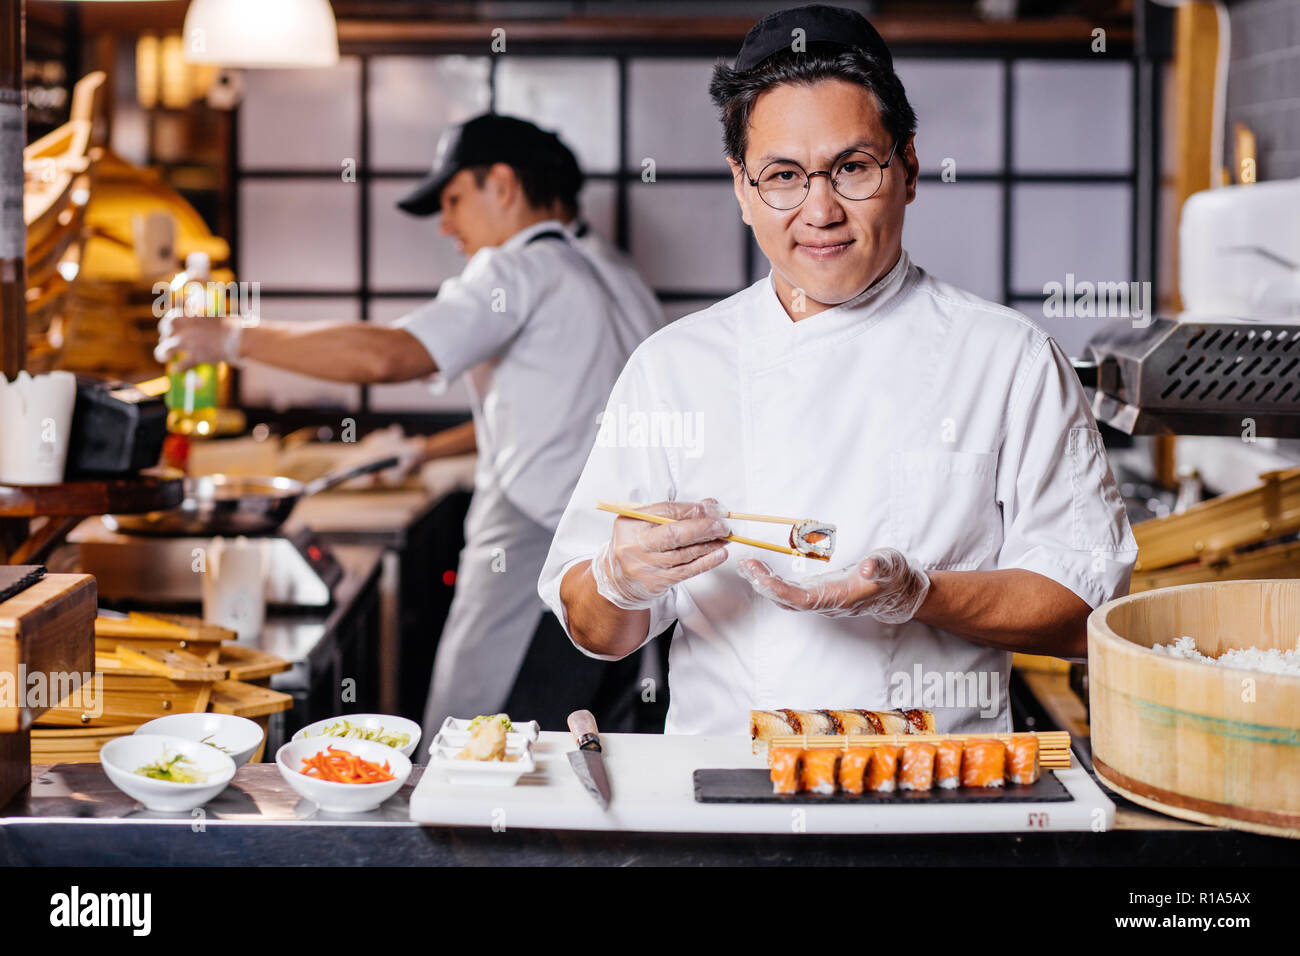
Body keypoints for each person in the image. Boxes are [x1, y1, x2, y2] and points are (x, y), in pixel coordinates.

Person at [537, 4, 1138, 735]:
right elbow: (595, 631)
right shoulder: (673, 368)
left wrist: (917, 595)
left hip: (934, 785)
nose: (819, 210)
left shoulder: (1009, 358)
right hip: (725, 781)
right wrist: (618, 579)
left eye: (852, 167)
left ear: (908, 167)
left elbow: (1086, 614)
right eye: (783, 176)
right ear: (742, 188)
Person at [157, 113, 658, 743]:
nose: (446, 226)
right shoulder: (609, 276)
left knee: (469, 733)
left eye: (453, 201)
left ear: (503, 186)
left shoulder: (514, 270)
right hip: (617, 551)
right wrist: (422, 450)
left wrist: (232, 337)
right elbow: (560, 414)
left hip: (535, 538)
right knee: (575, 743)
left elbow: (388, 356)